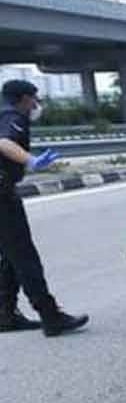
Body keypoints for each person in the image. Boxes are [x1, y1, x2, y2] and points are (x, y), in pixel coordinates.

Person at [0, 79, 88, 337]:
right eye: (34, 98)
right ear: (24, 98)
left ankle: (5, 314)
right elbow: (3, 143)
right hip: (2, 197)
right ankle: (50, 315)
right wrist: (32, 161)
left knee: (11, 255)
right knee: (24, 256)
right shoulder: (13, 116)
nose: (37, 104)